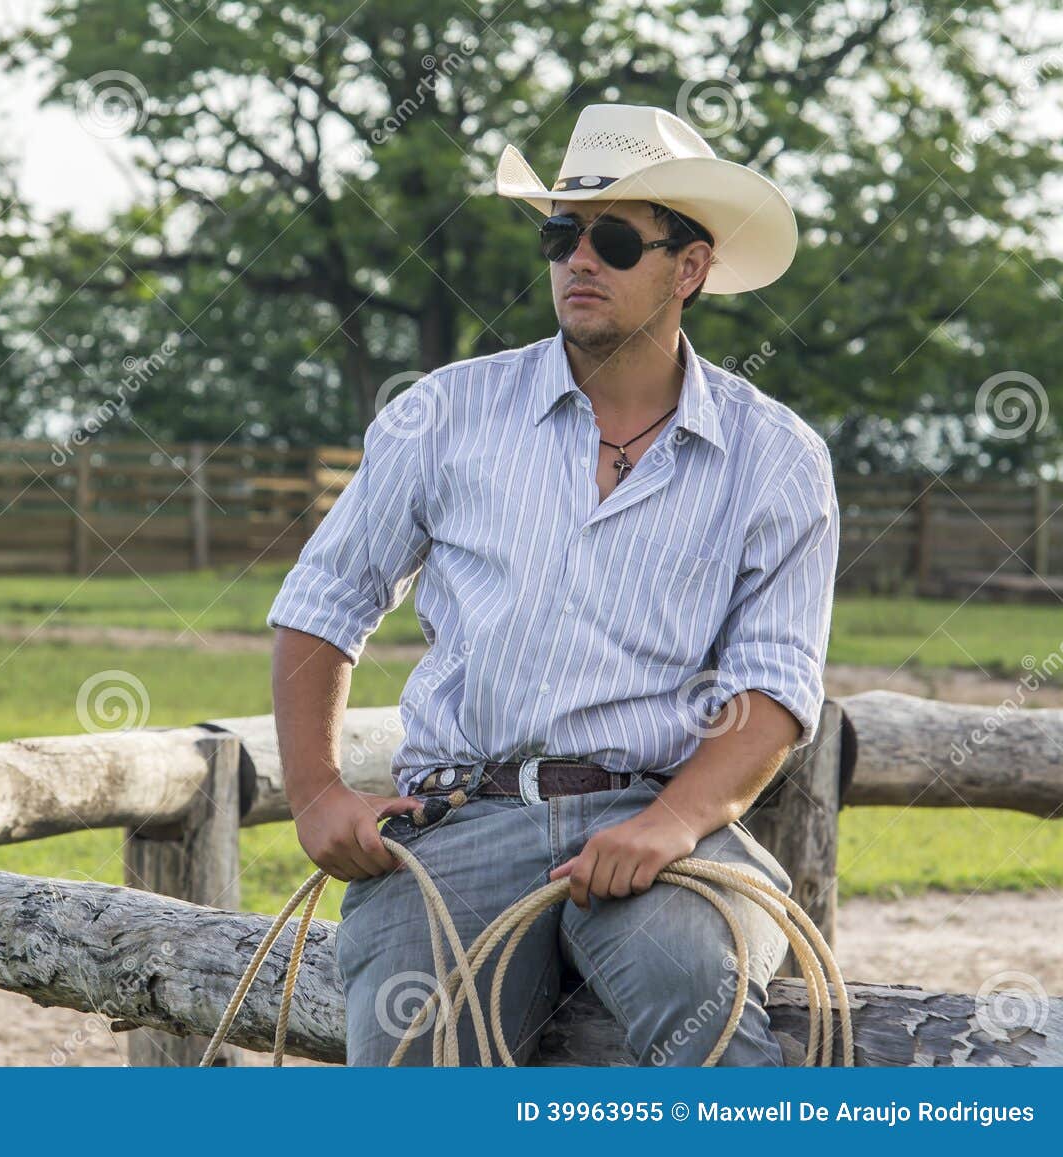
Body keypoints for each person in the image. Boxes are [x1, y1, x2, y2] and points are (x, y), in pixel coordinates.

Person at [265, 103, 840, 1066]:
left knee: (700, 984)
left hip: (655, 816)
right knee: (412, 1049)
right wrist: (318, 792)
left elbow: (774, 685)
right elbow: (324, 603)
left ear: (689, 269)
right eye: (561, 234)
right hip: (461, 816)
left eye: (616, 240)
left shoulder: (776, 457)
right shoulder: (443, 412)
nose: (581, 260)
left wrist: (670, 822)